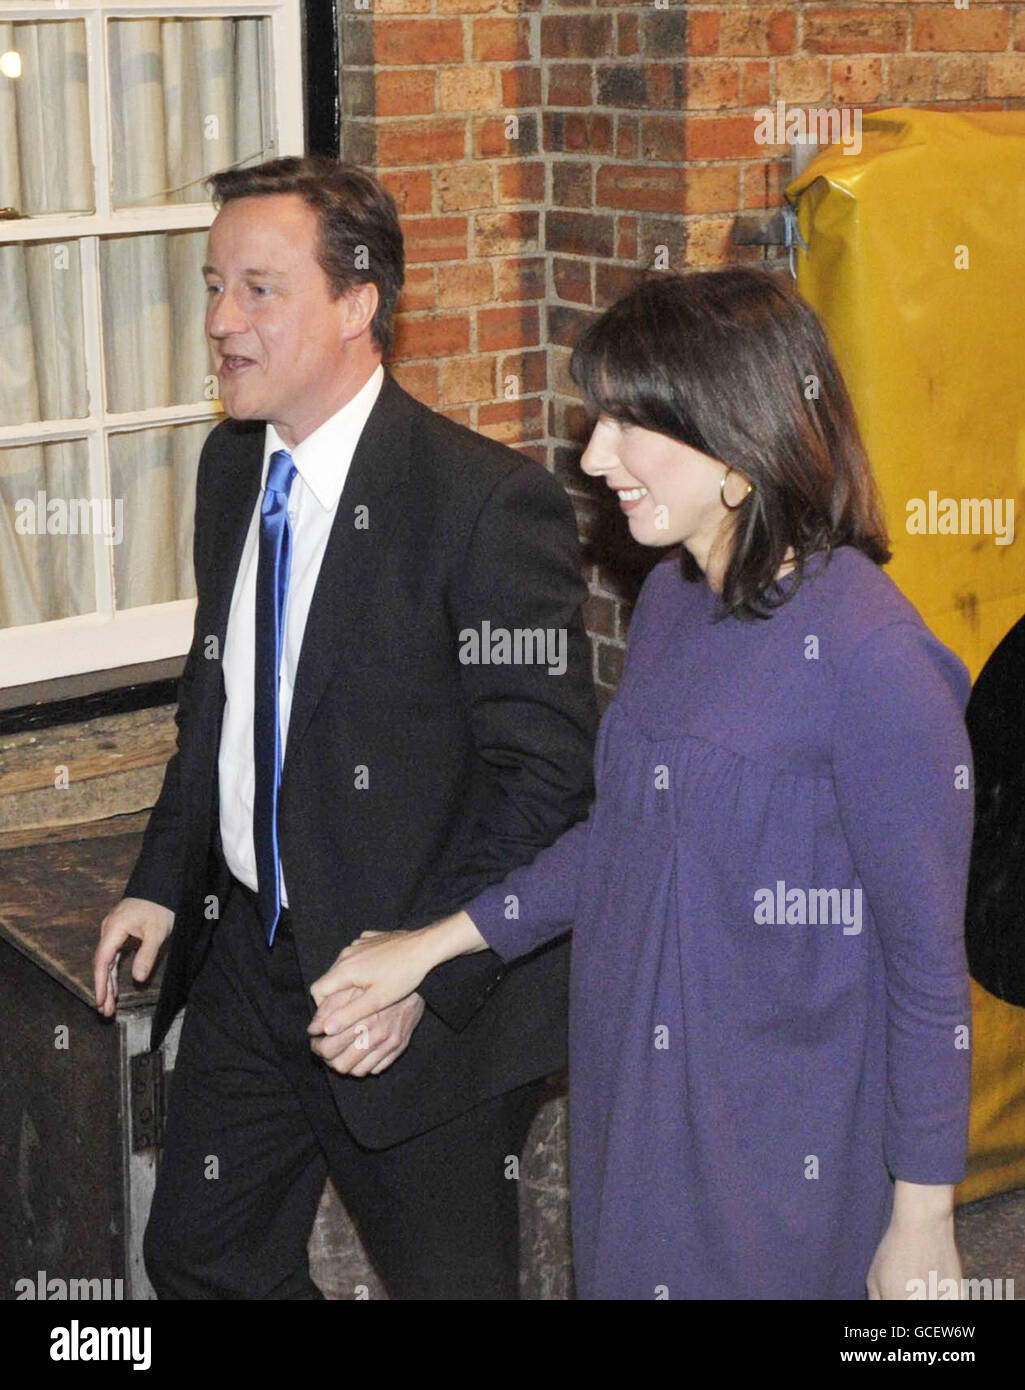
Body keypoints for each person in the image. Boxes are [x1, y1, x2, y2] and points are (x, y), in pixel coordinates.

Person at [312, 268, 976, 1301]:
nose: (592, 456)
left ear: (738, 444)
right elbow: (625, 837)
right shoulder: (670, 601)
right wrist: (434, 943)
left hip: (775, 1151)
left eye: (628, 424)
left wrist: (921, 1214)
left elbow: (927, 964)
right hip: (636, 1110)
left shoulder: (872, 655)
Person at [91, 156, 597, 1300]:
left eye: (259, 289)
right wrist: (165, 880)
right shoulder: (232, 467)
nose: (220, 321)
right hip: (247, 971)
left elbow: (543, 781)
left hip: (417, 1005)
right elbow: (216, 702)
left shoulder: (482, 504)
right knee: (199, 1258)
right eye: (213, 285)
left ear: (357, 304)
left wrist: (418, 968)